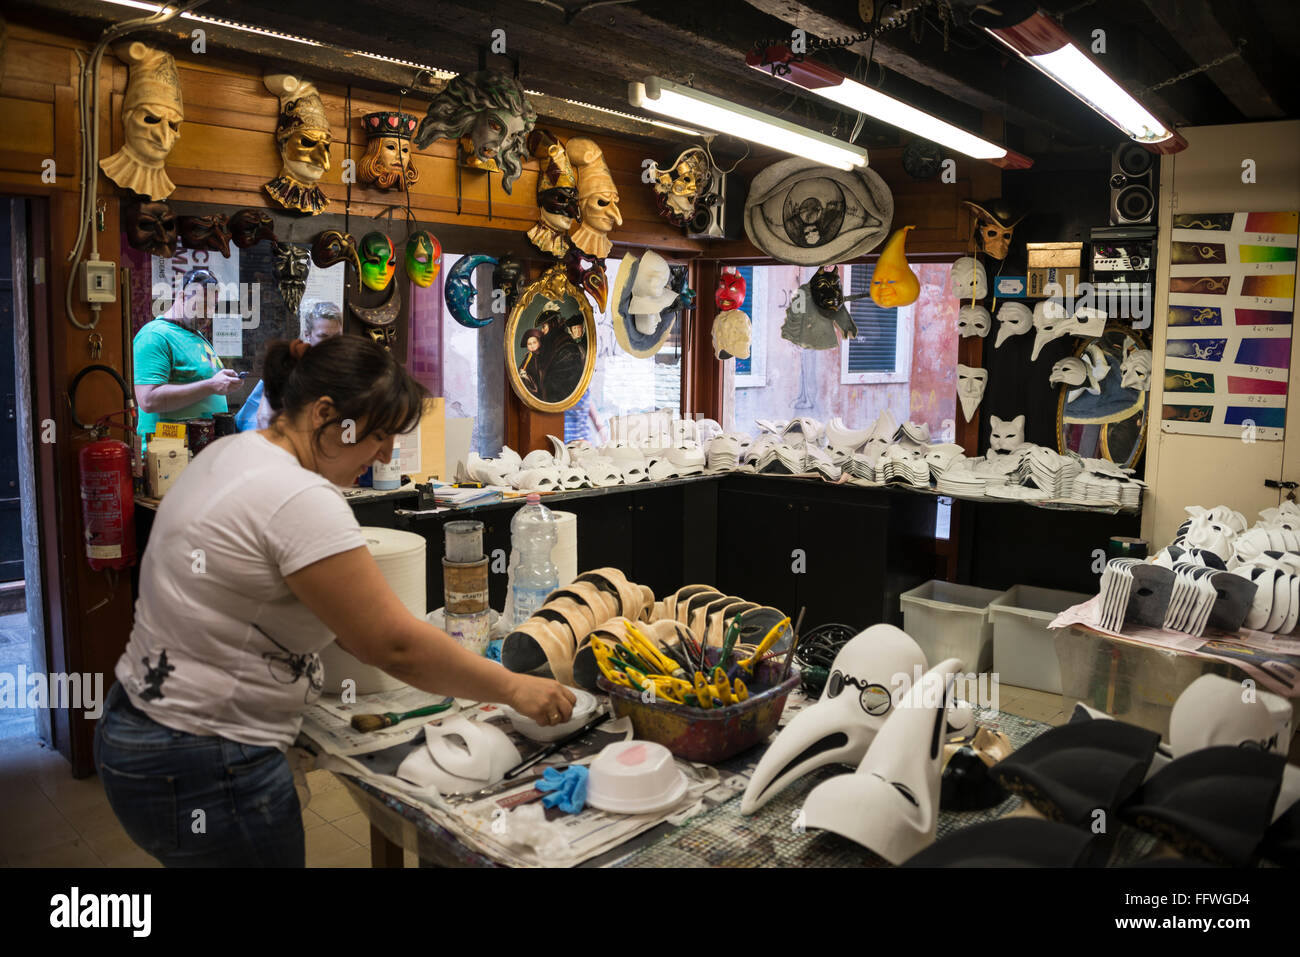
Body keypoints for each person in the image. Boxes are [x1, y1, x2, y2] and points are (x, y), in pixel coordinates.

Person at [95, 335, 575, 867]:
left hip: (139, 725)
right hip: (204, 754)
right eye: (379, 435)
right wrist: (514, 688)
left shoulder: (232, 451)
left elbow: (346, 625)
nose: (388, 454)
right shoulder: (298, 496)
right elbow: (391, 645)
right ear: (325, 415)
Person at [133, 266, 239, 446]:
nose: (208, 313)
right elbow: (148, 400)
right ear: (182, 297)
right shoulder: (155, 335)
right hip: (168, 452)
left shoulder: (196, 335)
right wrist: (212, 385)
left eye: (213, 306)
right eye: (203, 304)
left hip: (200, 449)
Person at [236, 301, 342, 431]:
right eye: (323, 336)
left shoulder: (346, 370)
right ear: (307, 335)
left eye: (337, 336)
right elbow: (261, 420)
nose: (332, 344)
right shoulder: (287, 367)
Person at [518, 327, 544, 399]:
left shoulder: (540, 356)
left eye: (534, 343)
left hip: (537, 390)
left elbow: (539, 376)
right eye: (529, 344)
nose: (532, 346)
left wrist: (527, 377)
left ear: (539, 343)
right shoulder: (528, 356)